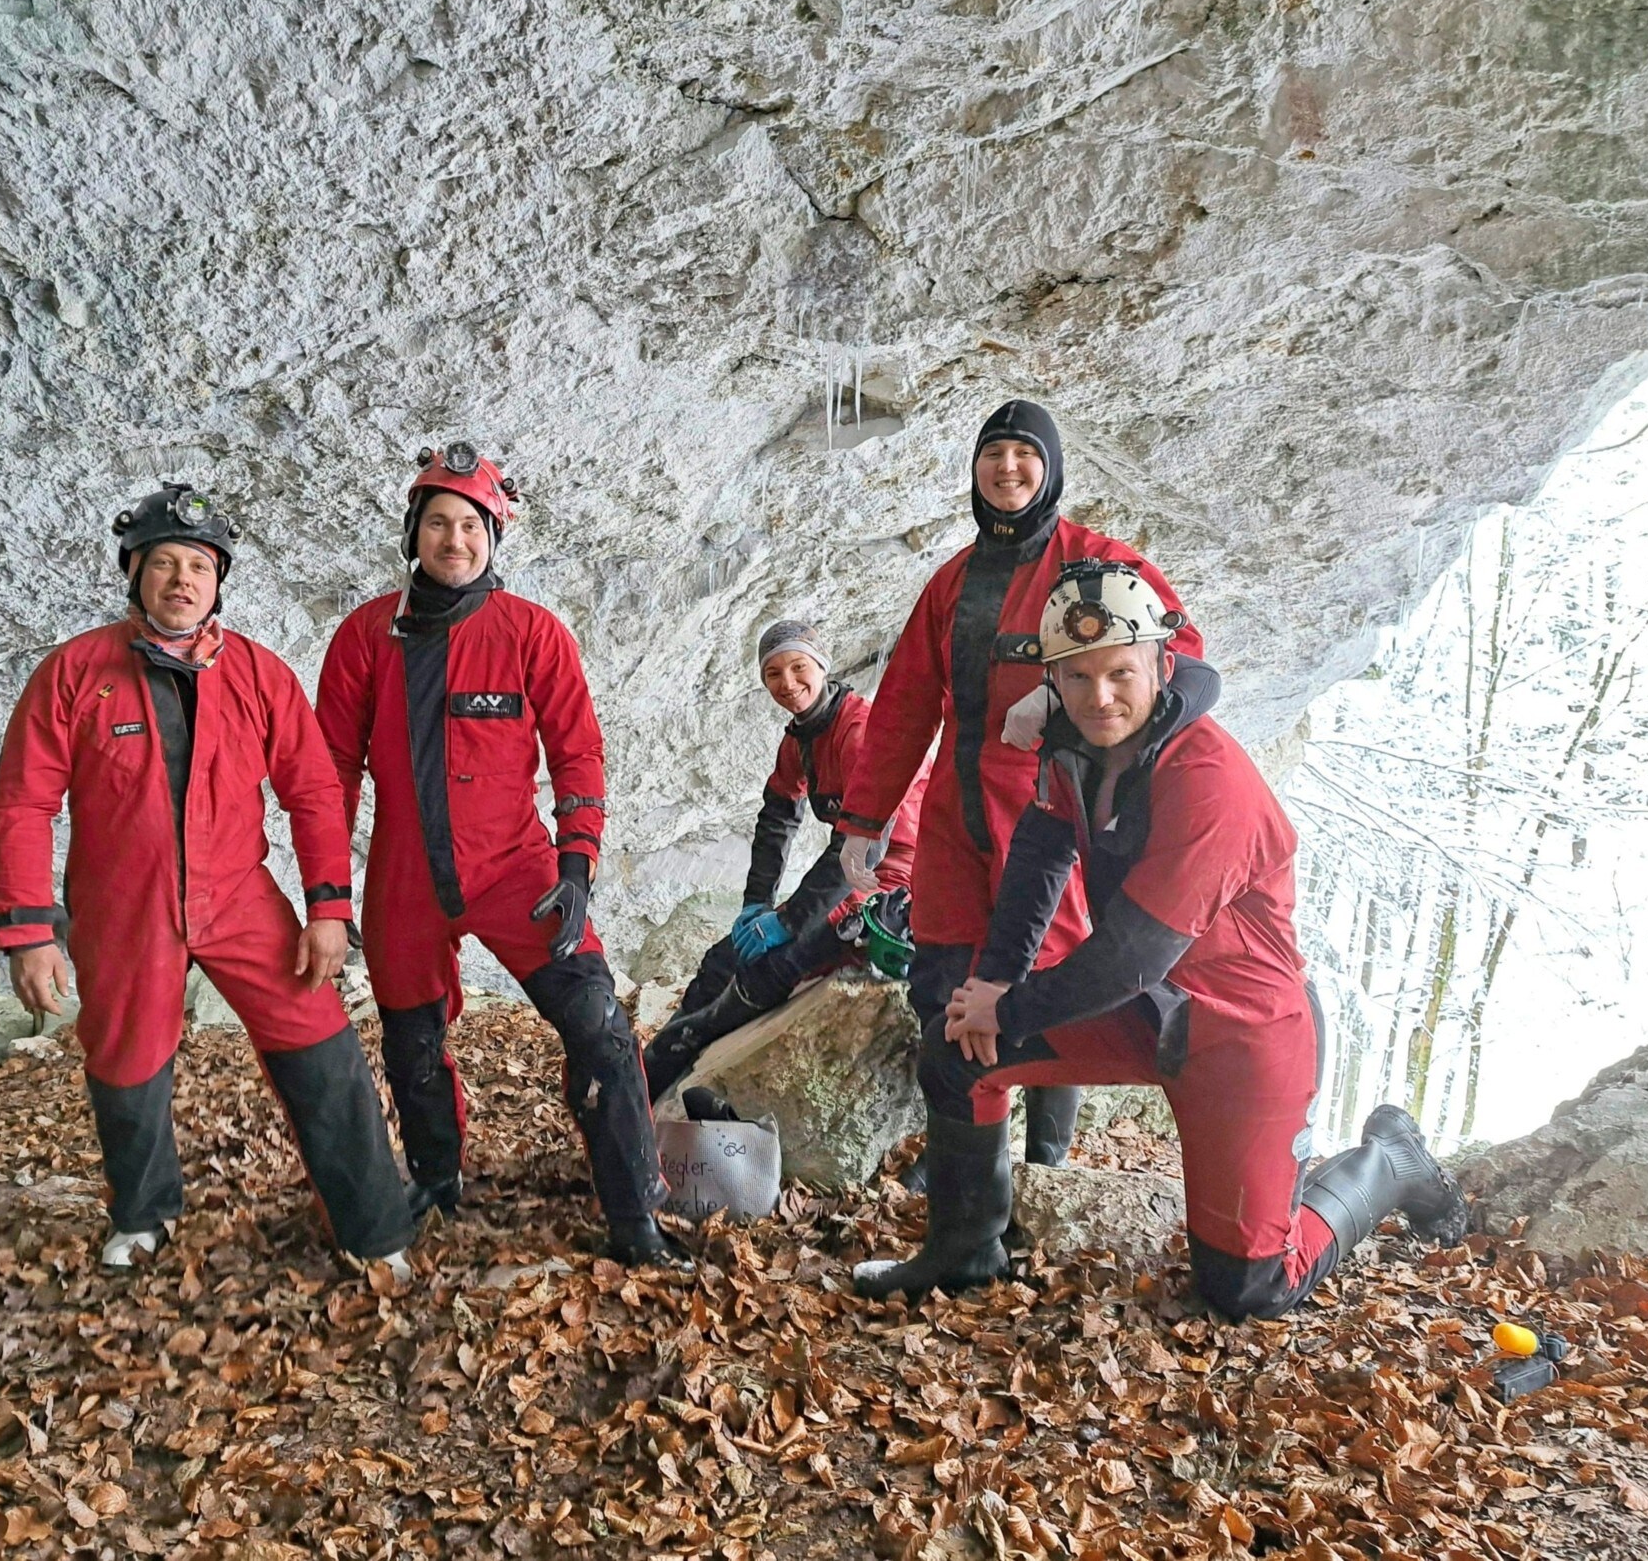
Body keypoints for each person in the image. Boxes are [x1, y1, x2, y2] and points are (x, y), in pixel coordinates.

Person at [853, 561, 1468, 1314]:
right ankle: (964, 1252)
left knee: (1248, 1289)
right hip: (1145, 1011)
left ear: (1161, 664)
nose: (1098, 696)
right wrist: (994, 980)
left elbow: (1131, 955)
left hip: (1240, 1032)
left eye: (1119, 673)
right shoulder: (1074, 744)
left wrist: (1007, 1008)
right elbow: (1041, 858)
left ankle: (1388, 1162)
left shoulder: (1210, 783)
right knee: (957, 1055)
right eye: (1075, 677)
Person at [0, 483, 418, 1276]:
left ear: (218, 581)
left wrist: (327, 909)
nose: (181, 580)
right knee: (126, 1062)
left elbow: (314, 792)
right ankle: (143, 1213)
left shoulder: (258, 674)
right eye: (162, 564)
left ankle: (376, 1228)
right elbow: (22, 801)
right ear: (134, 576)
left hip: (240, 897)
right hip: (125, 907)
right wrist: (28, 931)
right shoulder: (77, 672)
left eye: (198, 565)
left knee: (322, 1047)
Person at [317, 444, 673, 1264]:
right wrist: (329, 890)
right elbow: (327, 769)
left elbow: (578, 752)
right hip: (406, 878)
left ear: (493, 535)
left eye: (471, 524)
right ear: (414, 534)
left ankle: (634, 1214)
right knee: (410, 1044)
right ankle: (438, 1178)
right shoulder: (366, 635)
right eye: (438, 522)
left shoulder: (532, 633)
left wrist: (577, 865)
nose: (455, 538)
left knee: (601, 1030)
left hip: (519, 871)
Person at [837, 399, 1203, 1170]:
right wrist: (864, 817)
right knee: (945, 977)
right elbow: (903, 703)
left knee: (1041, 983)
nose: (1008, 469)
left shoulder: (1098, 563)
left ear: (1052, 468)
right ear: (974, 472)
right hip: (952, 813)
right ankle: (970, 1167)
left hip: (1047, 808)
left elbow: (1186, 661)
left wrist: (1067, 705)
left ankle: (1046, 1163)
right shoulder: (952, 582)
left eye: (1025, 455)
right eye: (993, 454)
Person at [641, 619, 928, 1101]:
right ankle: (651, 1077)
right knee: (723, 960)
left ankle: (666, 1072)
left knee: (774, 968)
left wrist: (789, 921)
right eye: (773, 673)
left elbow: (867, 847)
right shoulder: (802, 738)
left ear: (822, 667)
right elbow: (777, 817)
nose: (788, 684)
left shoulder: (859, 731)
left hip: (897, 880)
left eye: (799, 667)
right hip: (858, 868)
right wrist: (756, 904)